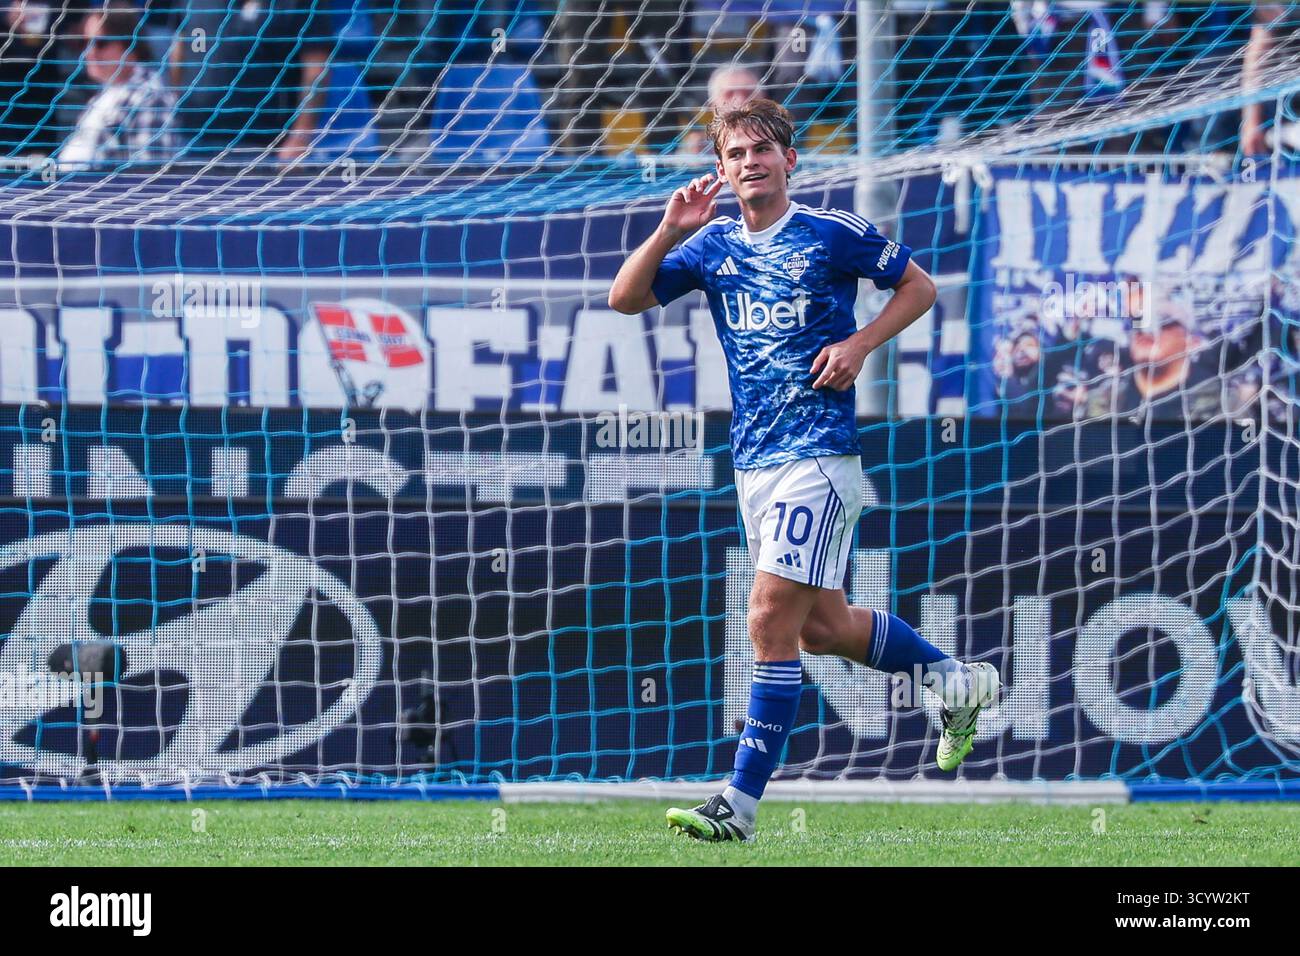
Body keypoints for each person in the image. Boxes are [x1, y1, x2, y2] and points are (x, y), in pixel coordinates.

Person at [608, 98, 1000, 842]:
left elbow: (919, 286)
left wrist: (859, 345)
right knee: (821, 628)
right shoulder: (712, 246)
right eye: (736, 155)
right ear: (721, 170)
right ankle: (956, 681)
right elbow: (623, 298)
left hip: (817, 455)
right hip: (754, 461)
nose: (750, 162)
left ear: (790, 160)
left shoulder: (830, 233)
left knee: (765, 617)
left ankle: (740, 803)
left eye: (763, 150)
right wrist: (668, 229)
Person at [165, 0, 332, 163]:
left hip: (261, 143)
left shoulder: (299, 4)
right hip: (191, 137)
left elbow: (316, 70)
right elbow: (179, 50)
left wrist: (300, 136)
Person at [58, 1, 174, 168]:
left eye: (100, 43)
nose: (89, 53)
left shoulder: (150, 98)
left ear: (129, 46)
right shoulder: (109, 92)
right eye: (85, 43)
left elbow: (149, 178)